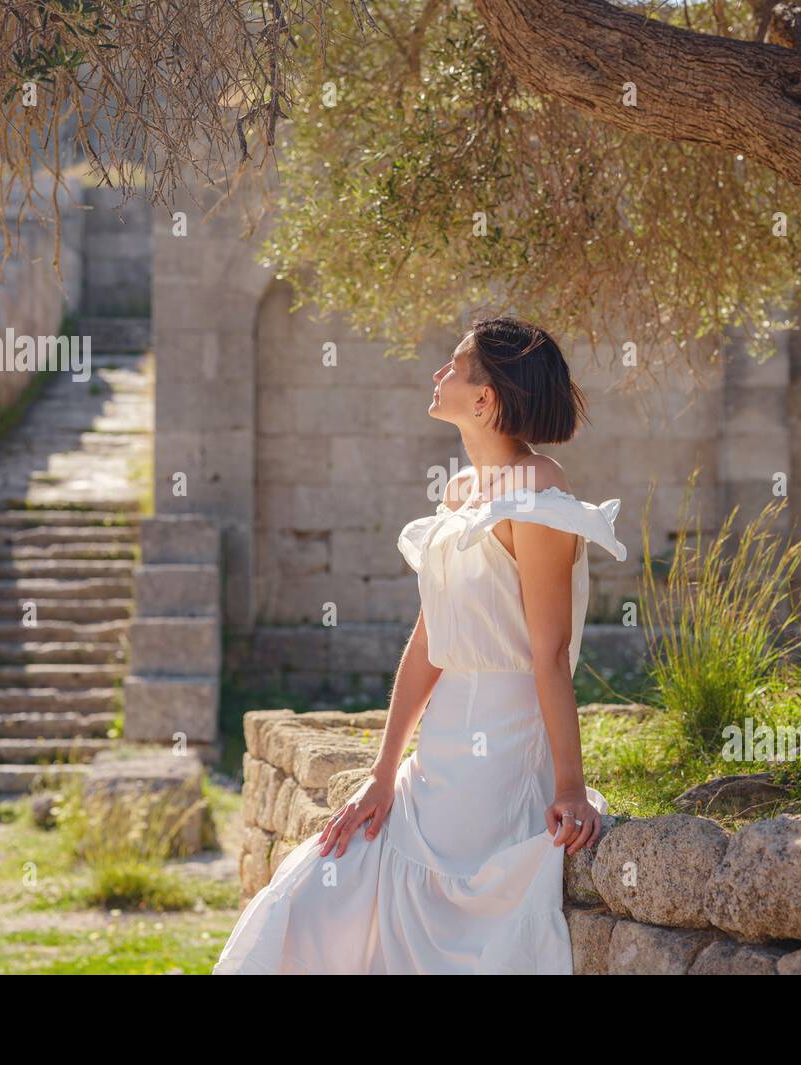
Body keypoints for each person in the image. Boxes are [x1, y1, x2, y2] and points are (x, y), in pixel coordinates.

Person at [213, 316, 628, 974]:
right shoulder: (459, 491)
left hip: (502, 753)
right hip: (433, 761)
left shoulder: (542, 494)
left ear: (486, 398)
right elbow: (430, 640)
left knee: (450, 932)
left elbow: (549, 654)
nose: (438, 375)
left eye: (454, 367)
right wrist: (383, 772)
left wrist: (571, 787)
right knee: (318, 890)